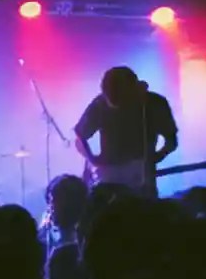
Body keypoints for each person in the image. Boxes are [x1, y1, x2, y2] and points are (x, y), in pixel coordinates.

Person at [74, 66, 178, 197]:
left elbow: (172, 140)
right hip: (108, 174)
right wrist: (93, 160)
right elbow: (79, 138)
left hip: (142, 176)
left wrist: (153, 159)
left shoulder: (154, 103)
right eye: (110, 98)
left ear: (134, 90)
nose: (114, 103)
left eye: (120, 100)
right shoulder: (100, 104)